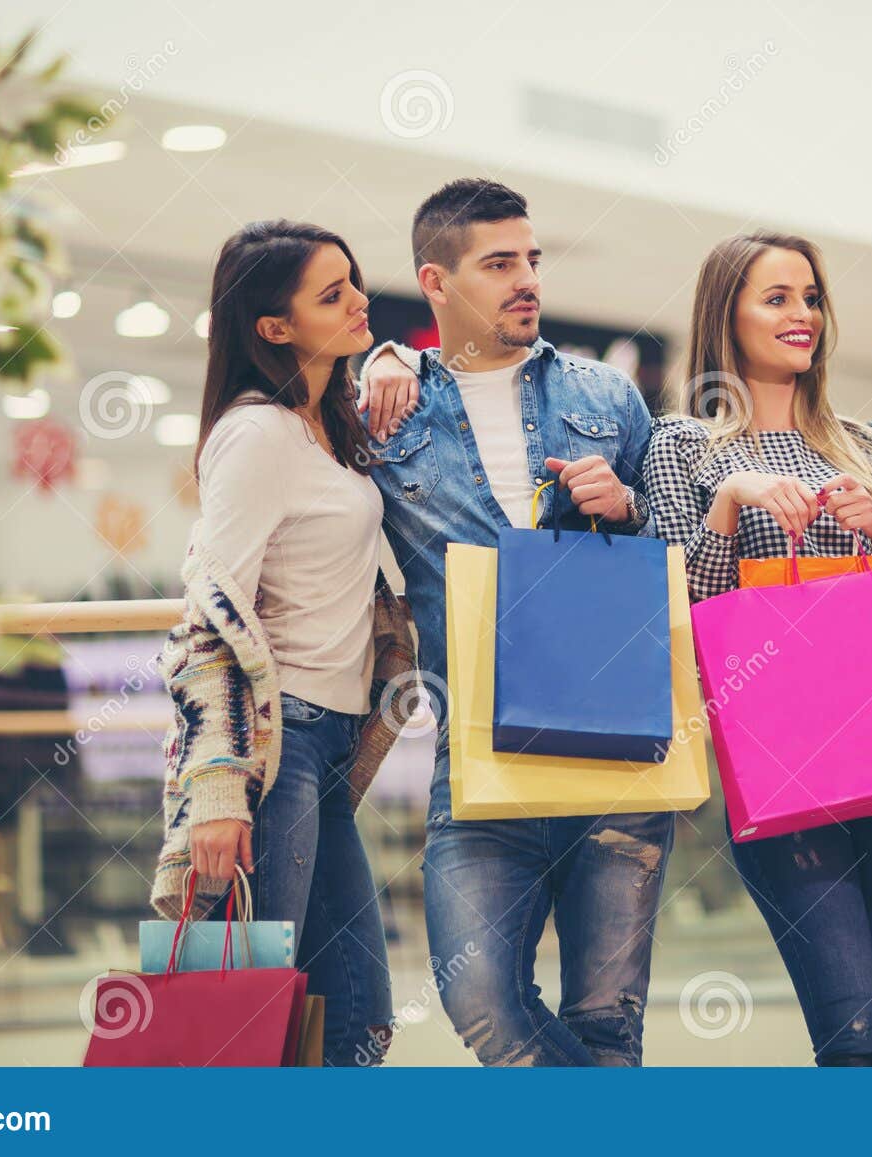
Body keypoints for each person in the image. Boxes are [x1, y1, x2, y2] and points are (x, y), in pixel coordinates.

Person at [357, 178, 671, 1066]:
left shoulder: (608, 396)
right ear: (436, 281)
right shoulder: (385, 414)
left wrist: (630, 509)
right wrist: (383, 356)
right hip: (480, 754)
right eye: (499, 264)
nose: (527, 279)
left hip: (615, 753)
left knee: (608, 1025)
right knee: (482, 999)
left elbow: (678, 554)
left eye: (531, 259)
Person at [642, 230, 872, 1065]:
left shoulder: (868, 447)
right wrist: (729, 503)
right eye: (776, 298)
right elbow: (681, 616)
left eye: (810, 297)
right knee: (854, 1037)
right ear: (726, 314)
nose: (802, 313)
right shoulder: (681, 447)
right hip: (779, 760)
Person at [151, 220, 393, 1066]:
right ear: (274, 326)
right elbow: (206, 617)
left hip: (328, 747)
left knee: (354, 1014)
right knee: (252, 1016)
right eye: (332, 294)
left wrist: (394, 363)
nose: (359, 300)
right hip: (273, 747)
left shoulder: (329, 426)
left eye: (353, 281)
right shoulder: (257, 434)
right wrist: (217, 788)